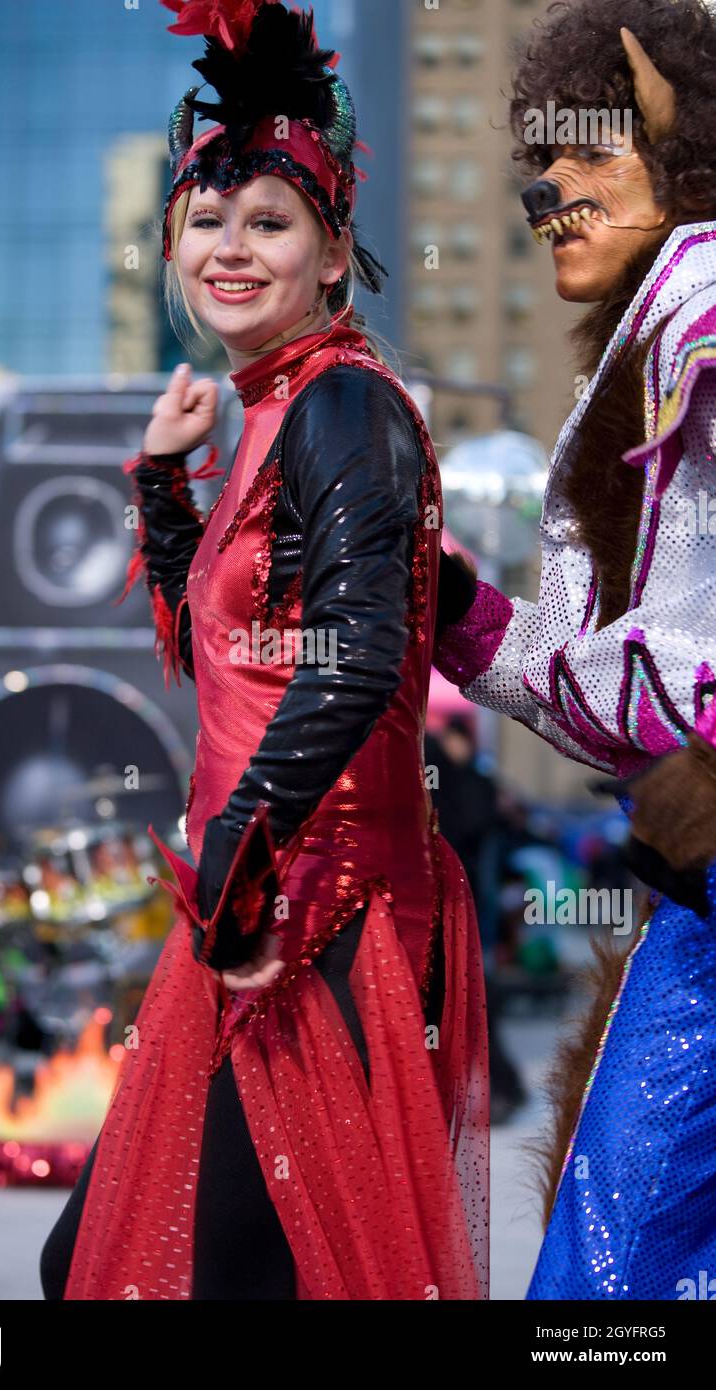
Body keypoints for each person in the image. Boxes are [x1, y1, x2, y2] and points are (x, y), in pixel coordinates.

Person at [40, 0, 488, 1302]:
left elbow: (355, 657)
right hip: (254, 894)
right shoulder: (275, 409)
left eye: (269, 221)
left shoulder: (345, 406)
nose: (228, 248)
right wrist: (164, 487)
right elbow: (221, 649)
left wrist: (236, 849)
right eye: (206, 221)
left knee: (196, 1270)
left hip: (313, 911)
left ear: (334, 251)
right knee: (116, 1256)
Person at [435, 0, 716, 1299]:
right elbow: (608, 681)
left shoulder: (701, 304)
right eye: (532, 160)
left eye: (590, 148)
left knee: (604, 1269)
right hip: (689, 890)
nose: (546, 185)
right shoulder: (652, 337)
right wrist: (447, 609)